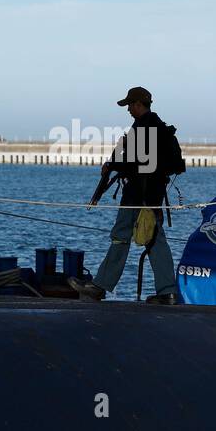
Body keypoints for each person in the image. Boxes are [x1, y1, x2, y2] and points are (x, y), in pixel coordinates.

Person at [69, 86, 179, 304]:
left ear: (139, 104)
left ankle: (99, 287)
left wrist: (111, 164)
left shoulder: (143, 127)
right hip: (154, 195)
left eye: (129, 105)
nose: (128, 109)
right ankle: (169, 292)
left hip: (136, 195)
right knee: (155, 240)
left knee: (120, 236)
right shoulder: (159, 127)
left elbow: (135, 163)